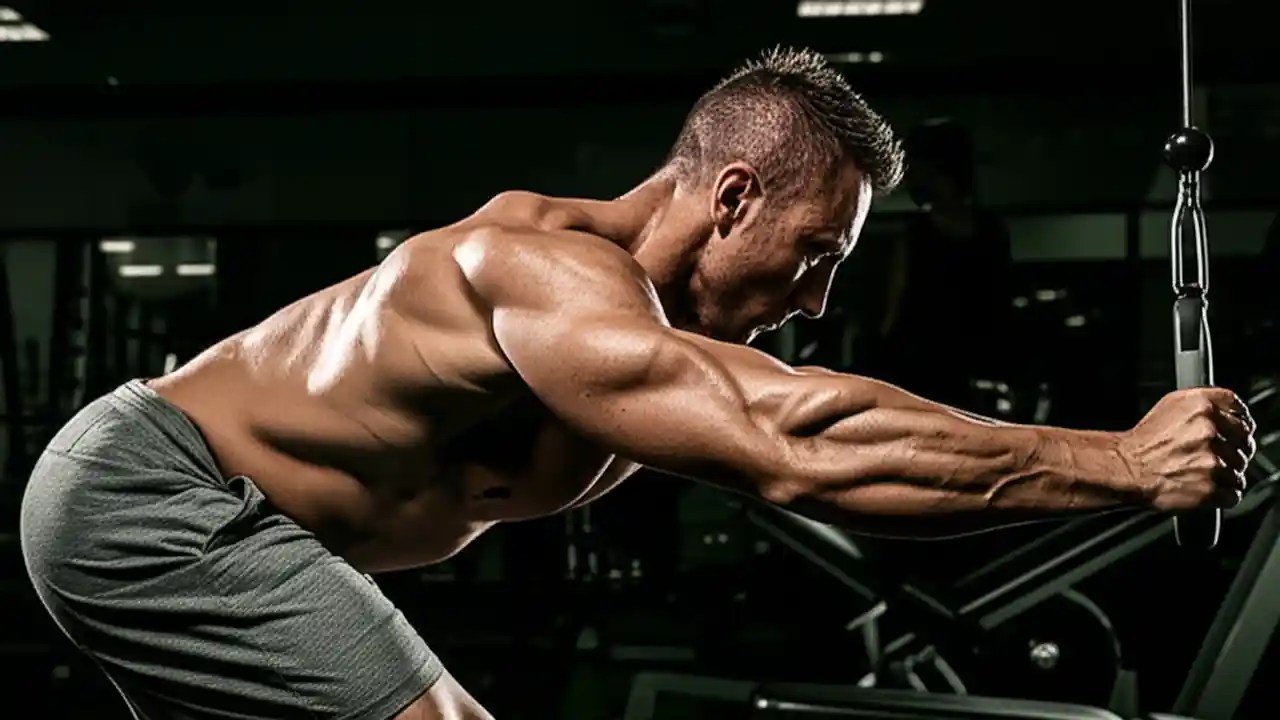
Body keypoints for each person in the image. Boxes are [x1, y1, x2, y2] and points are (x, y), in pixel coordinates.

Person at [20, 47, 1255, 720]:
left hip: (237, 533)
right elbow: (797, 439)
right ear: (731, 199)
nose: (817, 298)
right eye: (814, 255)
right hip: (155, 493)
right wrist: (1123, 461)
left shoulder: (638, 344)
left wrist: (1094, 489)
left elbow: (834, 471)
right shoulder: (539, 276)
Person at [879, 118, 1014, 409]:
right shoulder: (989, 231)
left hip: (932, 368)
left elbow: (895, 306)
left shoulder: (918, 235)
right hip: (960, 365)